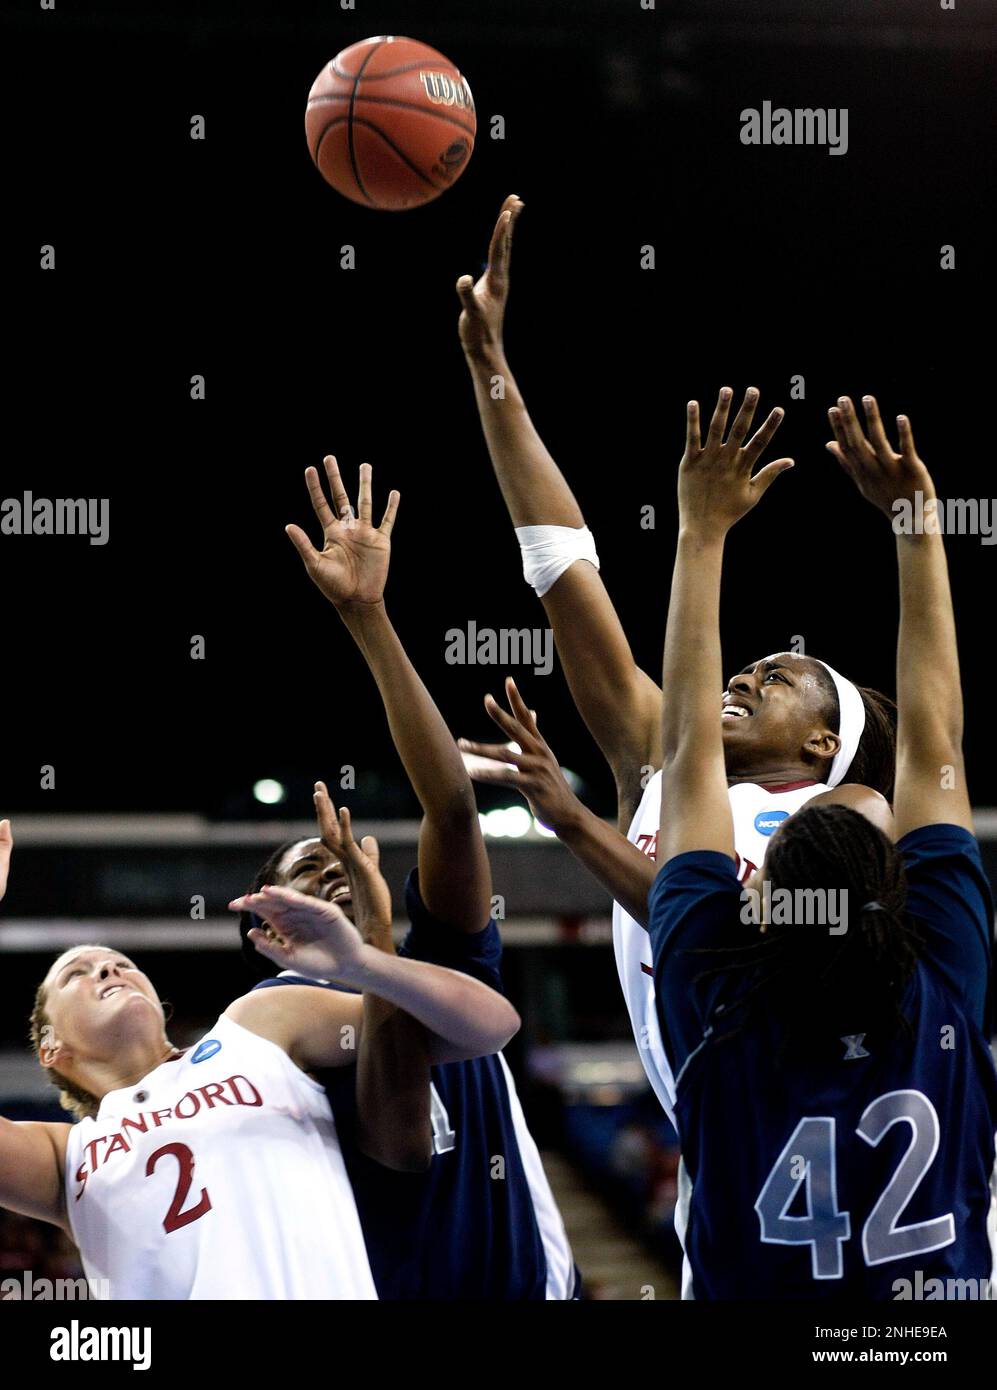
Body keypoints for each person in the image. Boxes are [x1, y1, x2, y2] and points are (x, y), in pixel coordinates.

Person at [455, 199, 896, 1123]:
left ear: (823, 744)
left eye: (777, 678)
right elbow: (561, 566)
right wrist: (492, 371)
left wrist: (573, 820)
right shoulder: (664, 760)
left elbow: (713, 925)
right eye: (747, 667)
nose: (740, 676)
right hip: (715, 1155)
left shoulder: (846, 824)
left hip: (817, 1130)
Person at [647, 390, 997, 1297]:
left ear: (755, 891)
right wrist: (917, 524)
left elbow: (682, 754)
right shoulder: (941, 983)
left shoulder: (714, 996)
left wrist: (701, 532)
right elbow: (936, 740)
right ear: (898, 888)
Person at [238, 458, 576, 1299]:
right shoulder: (290, 1054)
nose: (337, 871)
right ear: (275, 936)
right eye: (310, 875)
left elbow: (453, 807)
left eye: (342, 859)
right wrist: (369, 946)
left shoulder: (443, 966)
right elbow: (402, 1142)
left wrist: (368, 617)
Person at [0, 818, 519, 1299]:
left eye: (121, 964)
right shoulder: (64, 1156)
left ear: (160, 1008)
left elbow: (491, 1025)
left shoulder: (255, 1025)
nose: (108, 970)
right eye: (76, 973)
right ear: (50, 1047)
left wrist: (365, 962)